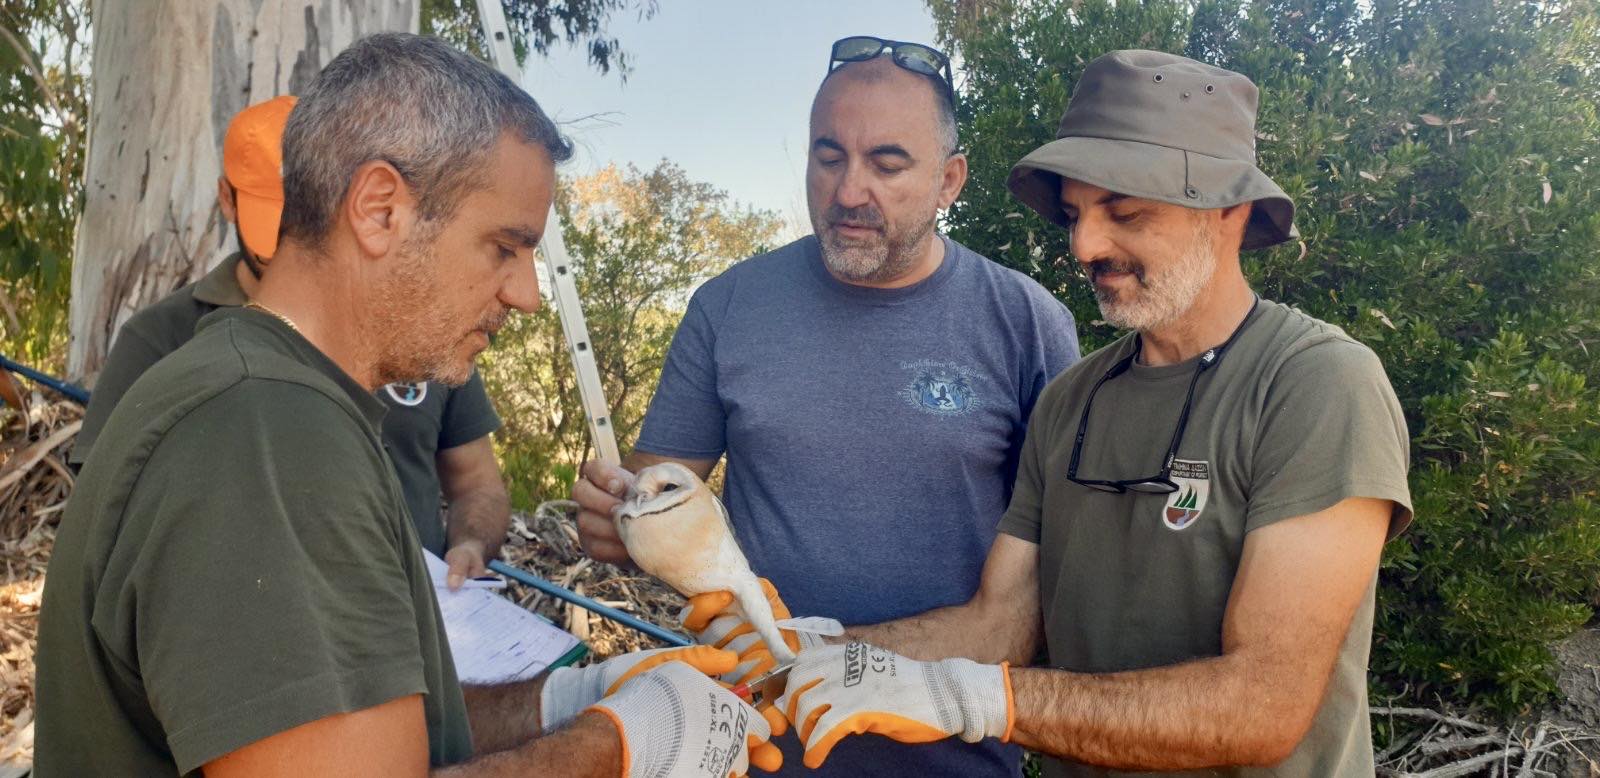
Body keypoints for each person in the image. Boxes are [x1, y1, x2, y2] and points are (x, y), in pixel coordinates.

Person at [35, 33, 778, 777]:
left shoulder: (274, 398)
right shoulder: (270, 432)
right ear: (380, 210)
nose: (524, 295)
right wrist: (612, 747)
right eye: (503, 248)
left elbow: (363, 726)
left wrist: (572, 701)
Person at [701, 50, 1414, 777]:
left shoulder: (1316, 384)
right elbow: (999, 625)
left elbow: (1262, 707)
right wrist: (803, 653)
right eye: (1075, 213)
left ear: (1229, 211)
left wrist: (974, 701)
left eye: (1126, 212)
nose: (1084, 245)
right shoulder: (1072, 403)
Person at [572, 35, 1081, 777]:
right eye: (828, 156)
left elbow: (1042, 591)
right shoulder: (729, 307)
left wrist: (817, 656)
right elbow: (658, 500)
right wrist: (616, 514)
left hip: (954, 759)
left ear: (950, 180)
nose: (847, 192)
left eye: (887, 162)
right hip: (757, 749)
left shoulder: (1026, 323)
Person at [69, 95, 509, 589]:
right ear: (227, 198)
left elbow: (478, 483)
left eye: (309, 222)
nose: (291, 249)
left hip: (417, 615)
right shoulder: (162, 340)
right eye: (274, 222)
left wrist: (468, 545)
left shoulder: (418, 329)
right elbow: (106, 513)